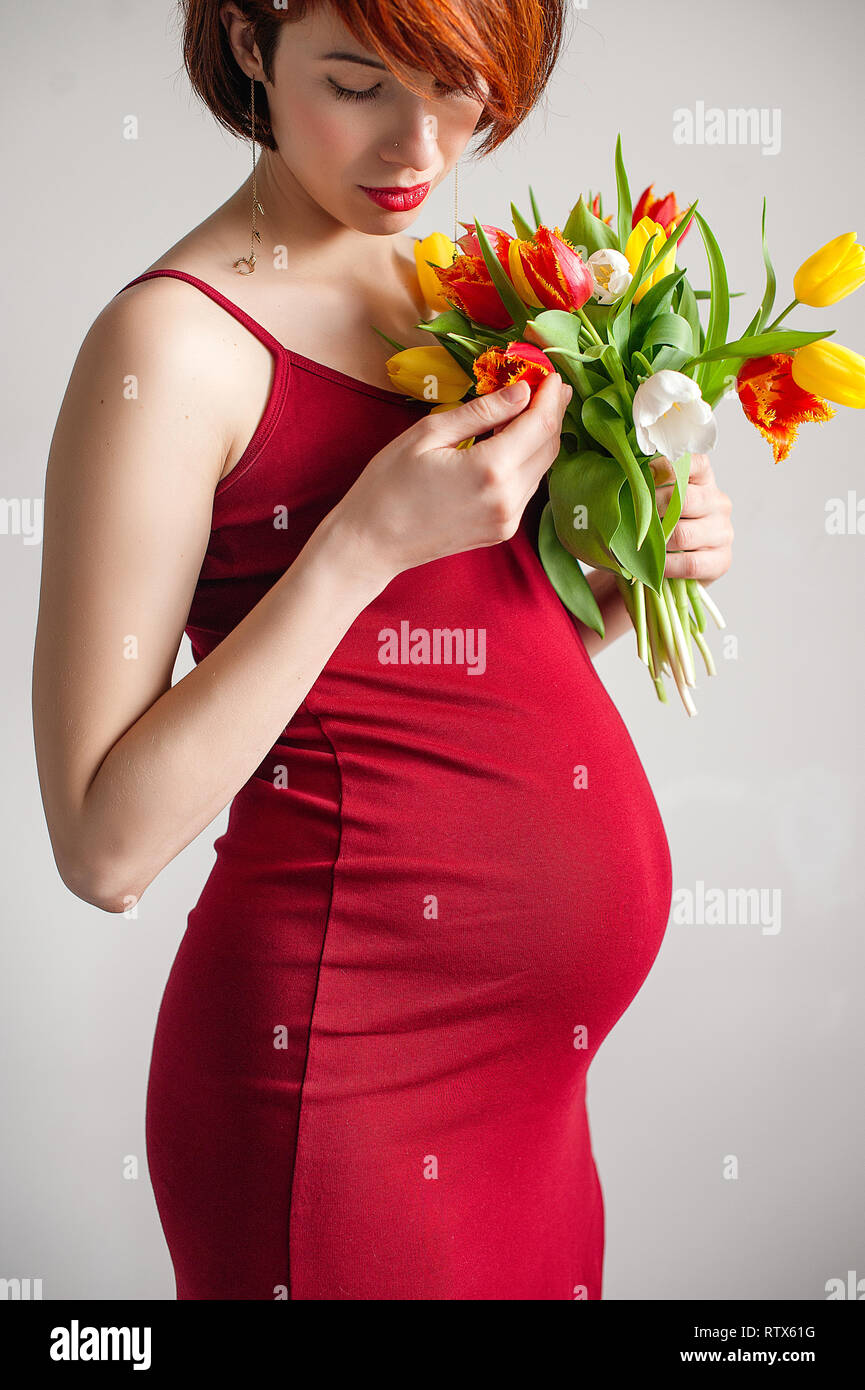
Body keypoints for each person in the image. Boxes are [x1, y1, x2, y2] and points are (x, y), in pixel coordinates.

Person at [32, 0, 733, 1300]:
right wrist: (357, 543)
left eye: (459, 88)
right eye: (356, 84)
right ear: (249, 41)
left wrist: (630, 568)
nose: (418, 144)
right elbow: (99, 843)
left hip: (536, 1099)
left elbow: (451, 669)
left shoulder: (454, 279)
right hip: (342, 1073)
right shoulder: (172, 345)